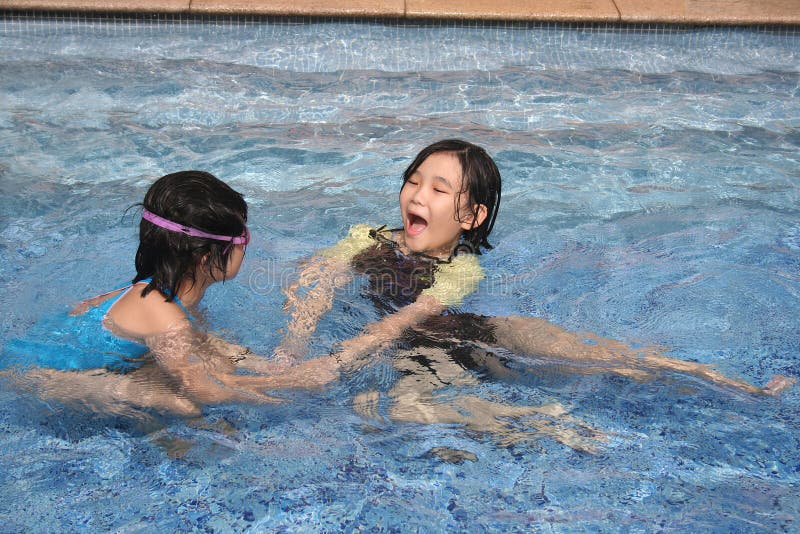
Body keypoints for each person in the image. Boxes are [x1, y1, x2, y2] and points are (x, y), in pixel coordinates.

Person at [276, 139, 795, 451]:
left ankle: (737, 388)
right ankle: (537, 422)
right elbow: (315, 283)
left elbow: (407, 318)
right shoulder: (365, 237)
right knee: (403, 409)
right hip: (422, 356)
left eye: (438, 190)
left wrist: (338, 360)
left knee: (607, 358)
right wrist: (292, 349)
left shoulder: (461, 269)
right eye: (414, 181)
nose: (417, 195)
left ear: (471, 217)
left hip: (474, 335)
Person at [2, 170, 340, 417]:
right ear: (207, 257)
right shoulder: (166, 314)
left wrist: (266, 366)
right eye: (243, 239)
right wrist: (294, 386)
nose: (248, 245)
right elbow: (204, 390)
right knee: (183, 404)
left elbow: (204, 345)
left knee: (213, 366)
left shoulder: (168, 293)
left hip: (64, 358)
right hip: (34, 376)